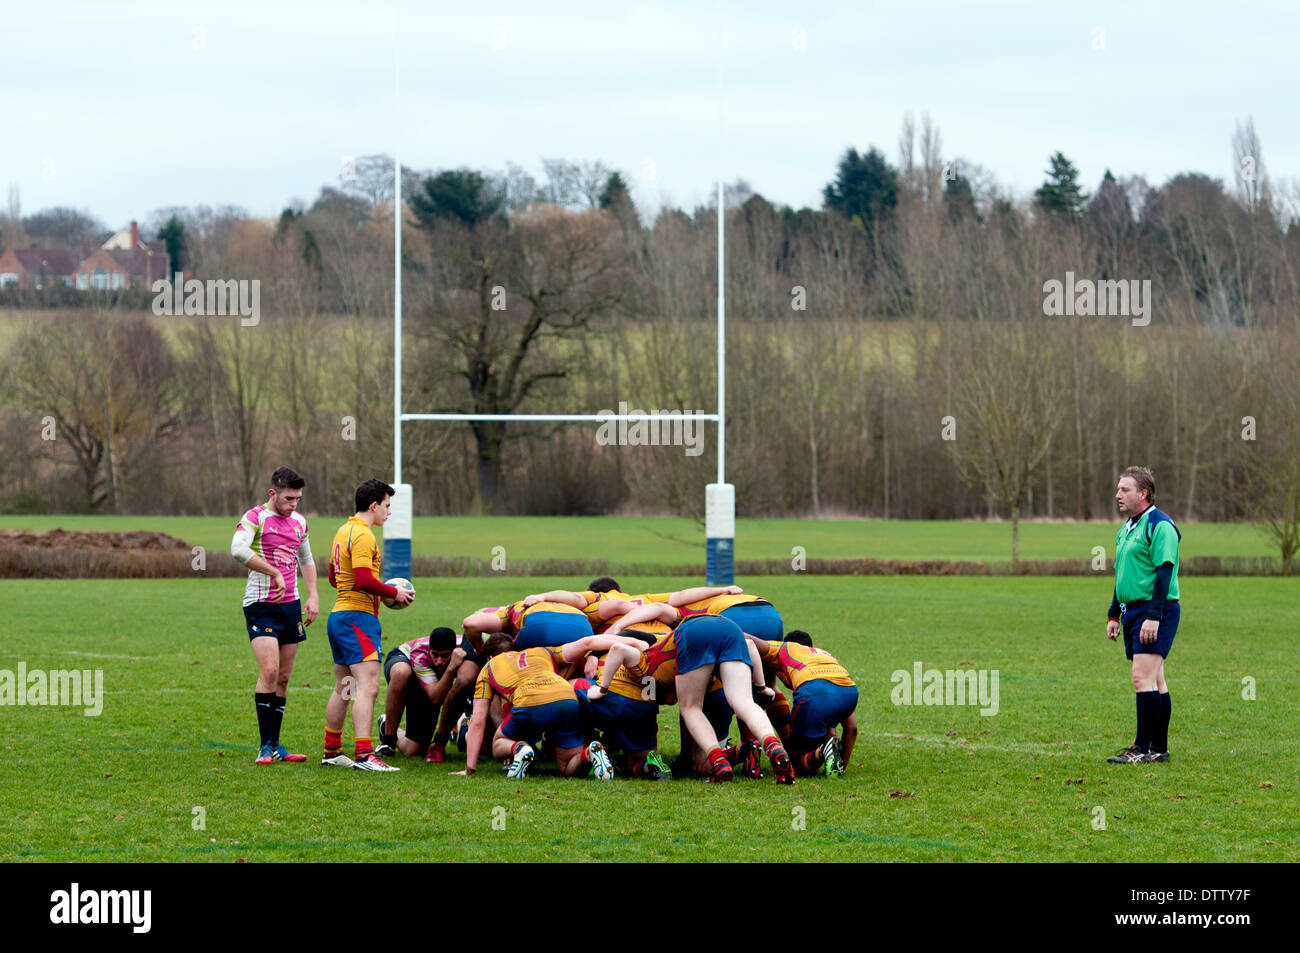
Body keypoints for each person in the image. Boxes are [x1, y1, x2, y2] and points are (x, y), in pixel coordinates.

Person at [601, 604, 794, 784]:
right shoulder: (663, 652)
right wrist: (760, 686)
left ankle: (720, 764)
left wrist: (601, 688)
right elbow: (750, 646)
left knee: (691, 709)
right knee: (743, 701)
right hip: (729, 626)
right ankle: (773, 745)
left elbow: (618, 649)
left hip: (694, 632)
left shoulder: (646, 662)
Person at [322, 478, 414, 771]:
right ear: (374, 505)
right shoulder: (363, 535)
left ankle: (333, 750)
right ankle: (363, 754)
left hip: (339, 615)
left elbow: (334, 579)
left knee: (344, 687)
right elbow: (362, 579)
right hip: (357, 619)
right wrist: (393, 592)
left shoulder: (342, 531)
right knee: (369, 686)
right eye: (387, 505)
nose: (388, 512)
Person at [451, 633, 634, 779]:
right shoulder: (541, 651)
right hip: (566, 697)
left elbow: (478, 720)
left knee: (498, 743)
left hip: (529, 702)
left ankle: (520, 749)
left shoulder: (488, 667)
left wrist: (470, 768)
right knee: (567, 768)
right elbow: (588, 642)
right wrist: (635, 642)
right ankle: (591, 752)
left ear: (489, 656)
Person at [230, 466, 319, 765]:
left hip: (290, 606)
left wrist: (314, 596)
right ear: (273, 493)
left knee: (283, 677)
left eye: (298, 499)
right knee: (268, 672)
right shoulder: (255, 517)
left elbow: (305, 559)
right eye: (289, 498)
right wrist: (273, 572)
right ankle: (264, 747)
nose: (294, 504)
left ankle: (276, 745)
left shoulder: (299, 522)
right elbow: (237, 550)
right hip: (261, 605)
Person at [1105, 466, 1180, 765]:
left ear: (1143, 493)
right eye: (1118, 489)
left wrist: (1154, 615)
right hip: (1133, 611)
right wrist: (1114, 614)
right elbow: (1122, 575)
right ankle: (1158, 749)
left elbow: (1164, 571)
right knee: (1156, 680)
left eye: (1124, 489)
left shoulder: (1160, 525)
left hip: (1155, 610)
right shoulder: (1127, 528)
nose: (1118, 495)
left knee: (1141, 677)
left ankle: (1142, 749)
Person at [751, 630, 858, 776]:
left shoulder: (783, 647)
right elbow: (852, 727)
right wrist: (842, 768)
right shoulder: (824, 654)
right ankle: (832, 758)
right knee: (827, 715)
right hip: (849, 692)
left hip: (815, 691)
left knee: (797, 765)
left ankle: (823, 750)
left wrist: (727, 630)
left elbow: (751, 640)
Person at [377, 627, 481, 762]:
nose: (439, 661)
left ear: (454, 651)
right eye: (435, 654)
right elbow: (435, 697)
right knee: (401, 673)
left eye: (445, 655)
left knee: (413, 749)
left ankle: (385, 723)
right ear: (430, 651)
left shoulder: (466, 650)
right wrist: (450, 668)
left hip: (435, 678)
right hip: (405, 660)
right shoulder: (420, 654)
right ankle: (388, 740)